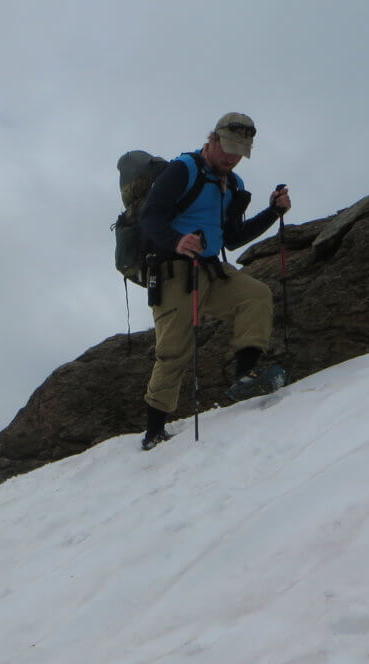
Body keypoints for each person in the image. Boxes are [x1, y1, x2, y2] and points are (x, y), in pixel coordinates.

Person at [138, 112, 291, 450]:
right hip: (172, 272)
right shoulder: (182, 171)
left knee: (255, 295)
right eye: (227, 148)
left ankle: (245, 376)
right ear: (212, 140)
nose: (231, 157)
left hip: (210, 270)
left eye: (239, 153)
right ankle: (153, 433)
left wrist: (272, 213)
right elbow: (149, 218)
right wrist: (177, 241)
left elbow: (233, 238)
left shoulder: (232, 185)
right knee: (174, 352)